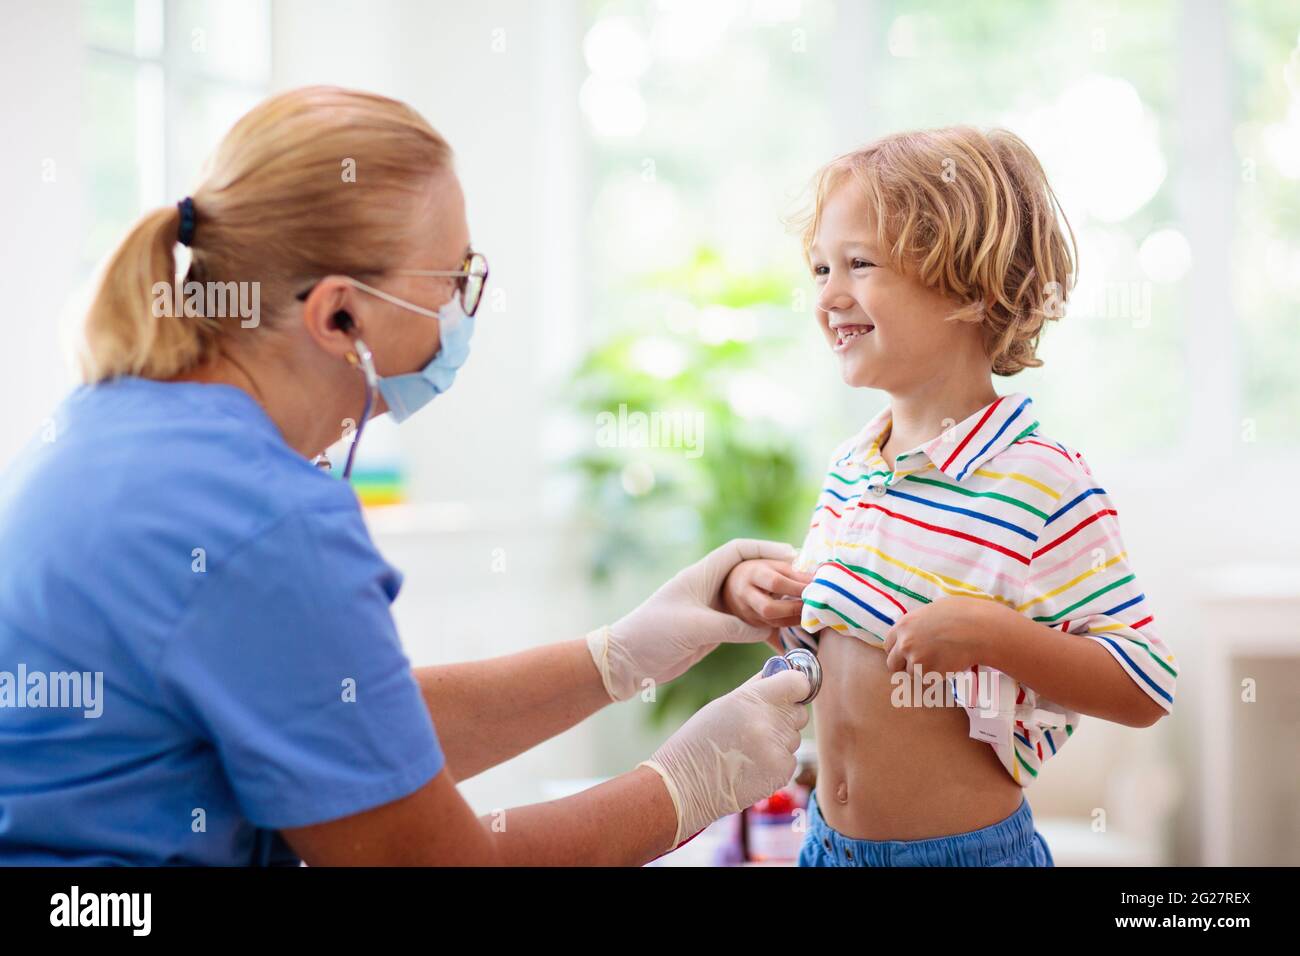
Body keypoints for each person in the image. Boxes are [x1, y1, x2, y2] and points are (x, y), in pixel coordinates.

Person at [0, 86, 810, 866]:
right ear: (338, 314)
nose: (466, 308)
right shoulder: (263, 518)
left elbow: (345, 722)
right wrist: (683, 788)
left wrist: (620, 656)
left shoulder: (113, 424)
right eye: (453, 279)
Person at [721, 126, 1177, 867]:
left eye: (859, 264)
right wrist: (770, 598)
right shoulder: (851, 466)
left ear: (972, 288)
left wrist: (998, 637)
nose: (829, 295)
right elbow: (828, 632)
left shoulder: (1040, 480)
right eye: (820, 269)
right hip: (827, 847)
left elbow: (1145, 686)